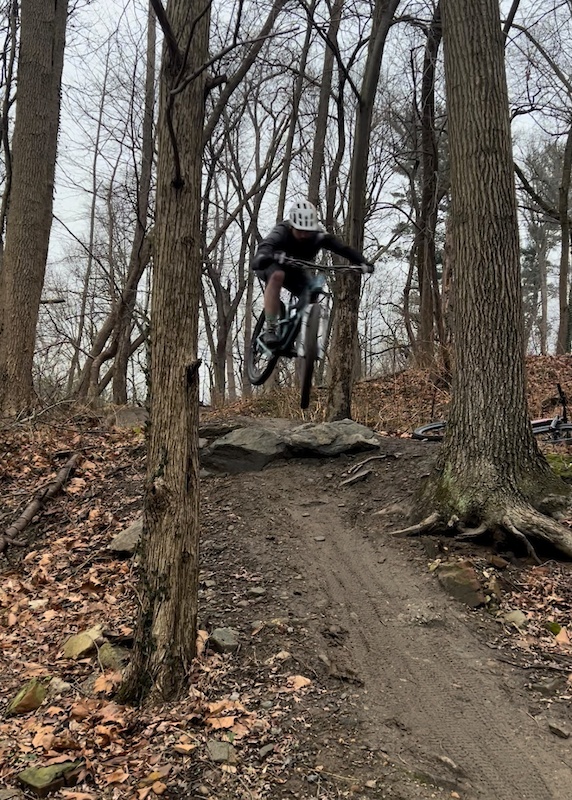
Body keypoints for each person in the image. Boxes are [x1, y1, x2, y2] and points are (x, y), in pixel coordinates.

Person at [251, 200, 374, 345]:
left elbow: (342, 249)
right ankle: (270, 329)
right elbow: (267, 245)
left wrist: (362, 262)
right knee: (278, 275)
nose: (303, 235)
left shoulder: (319, 235)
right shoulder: (282, 231)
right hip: (270, 265)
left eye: (307, 231)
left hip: (295, 270)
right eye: (299, 231)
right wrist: (262, 256)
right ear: (291, 227)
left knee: (313, 293)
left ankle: (305, 342)